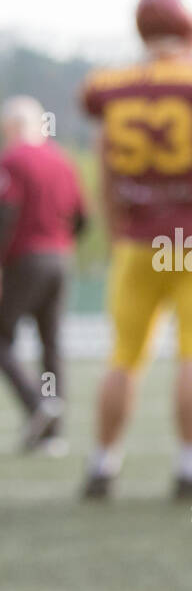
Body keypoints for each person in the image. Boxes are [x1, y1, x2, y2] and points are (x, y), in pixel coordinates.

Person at [80, 0, 192, 500]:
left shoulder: (111, 86)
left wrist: (116, 230)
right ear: (190, 29)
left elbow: (106, 174)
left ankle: (101, 465)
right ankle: (189, 467)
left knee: (124, 354)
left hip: (138, 241)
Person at [0, 95, 86, 455]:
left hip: (24, 258)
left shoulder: (12, 160)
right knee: (51, 343)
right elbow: (82, 216)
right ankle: (53, 431)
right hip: (60, 258)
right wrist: (63, 245)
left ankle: (38, 406)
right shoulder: (62, 160)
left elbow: (6, 212)